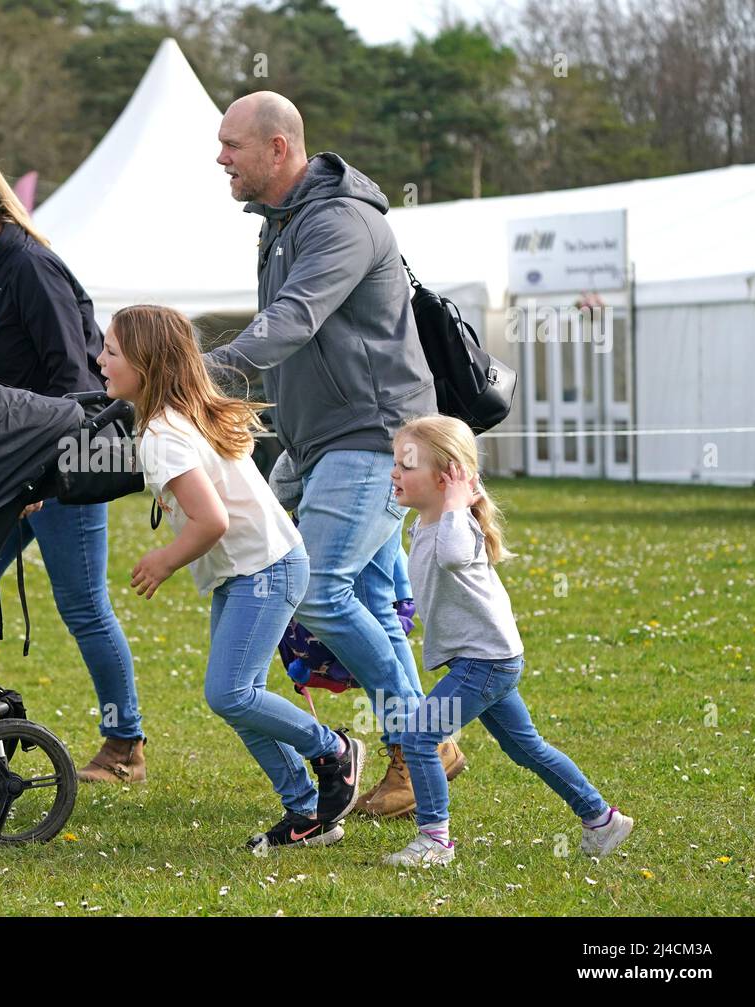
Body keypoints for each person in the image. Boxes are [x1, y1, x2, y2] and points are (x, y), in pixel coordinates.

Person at [205, 90, 465, 817]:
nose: (219, 158)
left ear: (278, 149)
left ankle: (420, 744)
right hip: (318, 443)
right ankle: (424, 754)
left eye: (232, 145)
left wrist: (199, 373)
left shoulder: (340, 221)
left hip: (376, 440)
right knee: (375, 605)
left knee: (320, 593)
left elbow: (291, 319)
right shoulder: (281, 222)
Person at [0, 146, 143, 783]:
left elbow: (73, 382)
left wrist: (41, 471)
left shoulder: (34, 269)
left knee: (84, 604)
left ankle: (125, 745)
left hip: (59, 468)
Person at [100, 304, 365, 849]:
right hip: (251, 570)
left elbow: (211, 521)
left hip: (264, 569)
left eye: (111, 352)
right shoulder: (175, 415)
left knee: (231, 693)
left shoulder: (163, 433)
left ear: (145, 364)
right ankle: (308, 811)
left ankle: (334, 752)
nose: (99, 359)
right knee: (238, 698)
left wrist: (165, 560)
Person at [385, 415, 634, 865]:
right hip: (486, 659)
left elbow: (454, 555)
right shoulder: (423, 523)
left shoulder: (458, 528)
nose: (394, 473)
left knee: (419, 736)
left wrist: (458, 503)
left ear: (445, 478)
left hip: (484, 662)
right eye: (395, 463)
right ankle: (601, 818)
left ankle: (435, 843)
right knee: (526, 747)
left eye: (406, 464)